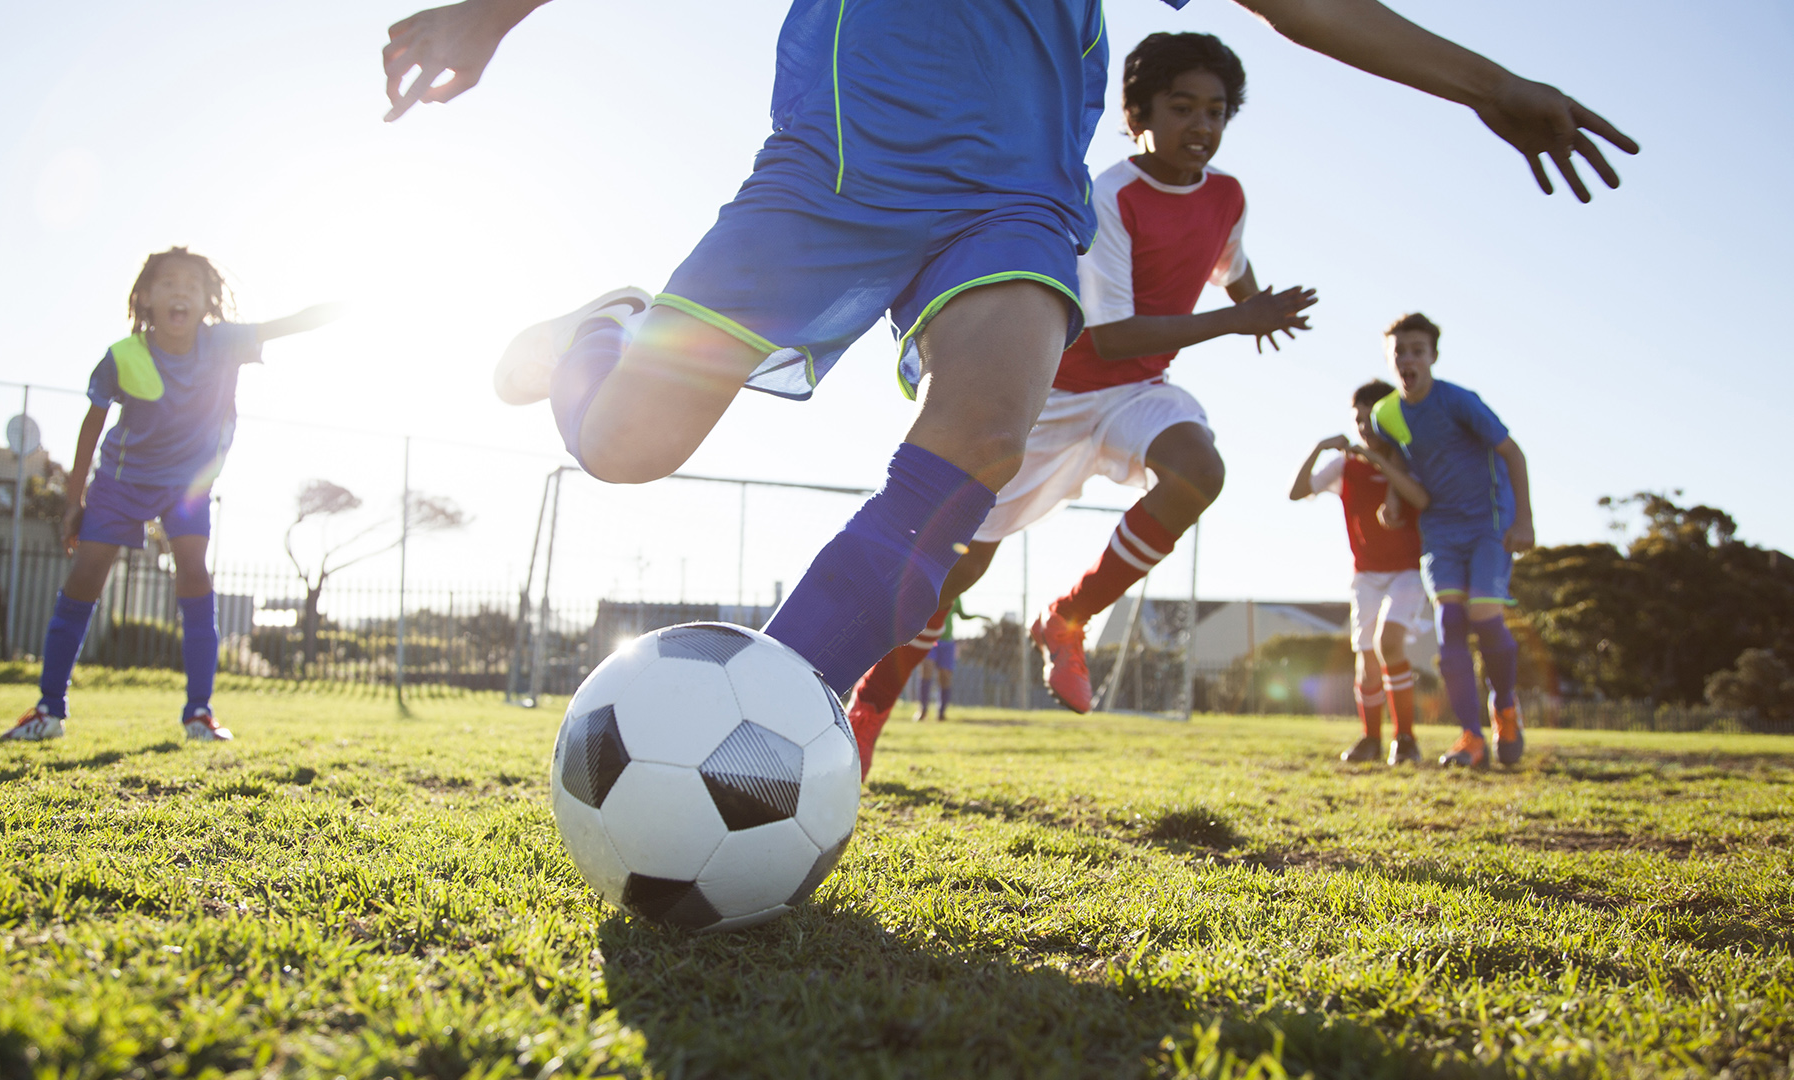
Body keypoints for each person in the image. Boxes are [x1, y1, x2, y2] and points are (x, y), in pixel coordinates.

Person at [380, 0, 1635, 758]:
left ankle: (775, 714)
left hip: (1014, 199)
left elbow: (1296, 6)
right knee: (626, 448)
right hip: (826, 175)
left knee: (982, 437)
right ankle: (610, 328)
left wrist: (1494, 86)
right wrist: (488, 16)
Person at [845, 30, 1315, 758]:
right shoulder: (1111, 196)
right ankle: (870, 707)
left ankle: (1068, 618)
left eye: (1216, 111)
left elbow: (1230, 264)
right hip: (1056, 394)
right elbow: (1115, 336)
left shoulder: (1228, 195)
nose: (1201, 126)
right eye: (1182, 108)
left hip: (1136, 394)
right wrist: (1238, 319)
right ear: (1140, 118)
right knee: (960, 564)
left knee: (1200, 469)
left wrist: (1261, 306)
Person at [1, 248, 339, 743]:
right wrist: (75, 501)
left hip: (187, 484)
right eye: (167, 283)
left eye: (191, 284)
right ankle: (49, 709)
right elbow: (91, 427)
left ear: (206, 300)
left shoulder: (225, 341)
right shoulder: (123, 356)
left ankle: (199, 712)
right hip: (121, 480)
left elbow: (290, 323)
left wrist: (350, 305)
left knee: (194, 575)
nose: (180, 291)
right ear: (145, 298)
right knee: (86, 576)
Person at [1371, 313, 1532, 767]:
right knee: (1450, 624)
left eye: (1417, 351)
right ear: (1390, 357)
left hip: (1488, 522)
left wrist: (1525, 522)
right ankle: (1470, 737)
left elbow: (1512, 453)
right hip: (1439, 529)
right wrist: (1393, 499)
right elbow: (1399, 458)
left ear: (1433, 357)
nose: (1407, 359)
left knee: (1483, 613)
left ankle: (1505, 707)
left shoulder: (1460, 402)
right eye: (1399, 351)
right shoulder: (1387, 413)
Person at [1289, 379, 1433, 766]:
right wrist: (1320, 448)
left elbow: (1420, 499)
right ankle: (1370, 738)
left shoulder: (1409, 460)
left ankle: (1405, 739)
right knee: (1366, 656)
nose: (1365, 428)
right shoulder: (1345, 465)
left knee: (1390, 643)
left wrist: (1388, 475)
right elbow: (1297, 492)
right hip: (1365, 575)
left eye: (1372, 420)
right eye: (1359, 421)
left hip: (1406, 571)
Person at [911, 597, 982, 723]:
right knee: (926, 669)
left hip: (947, 642)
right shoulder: (934, 589)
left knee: (945, 676)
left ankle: (942, 713)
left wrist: (979, 616)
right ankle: (922, 710)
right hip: (931, 639)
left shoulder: (957, 595)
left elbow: (962, 615)